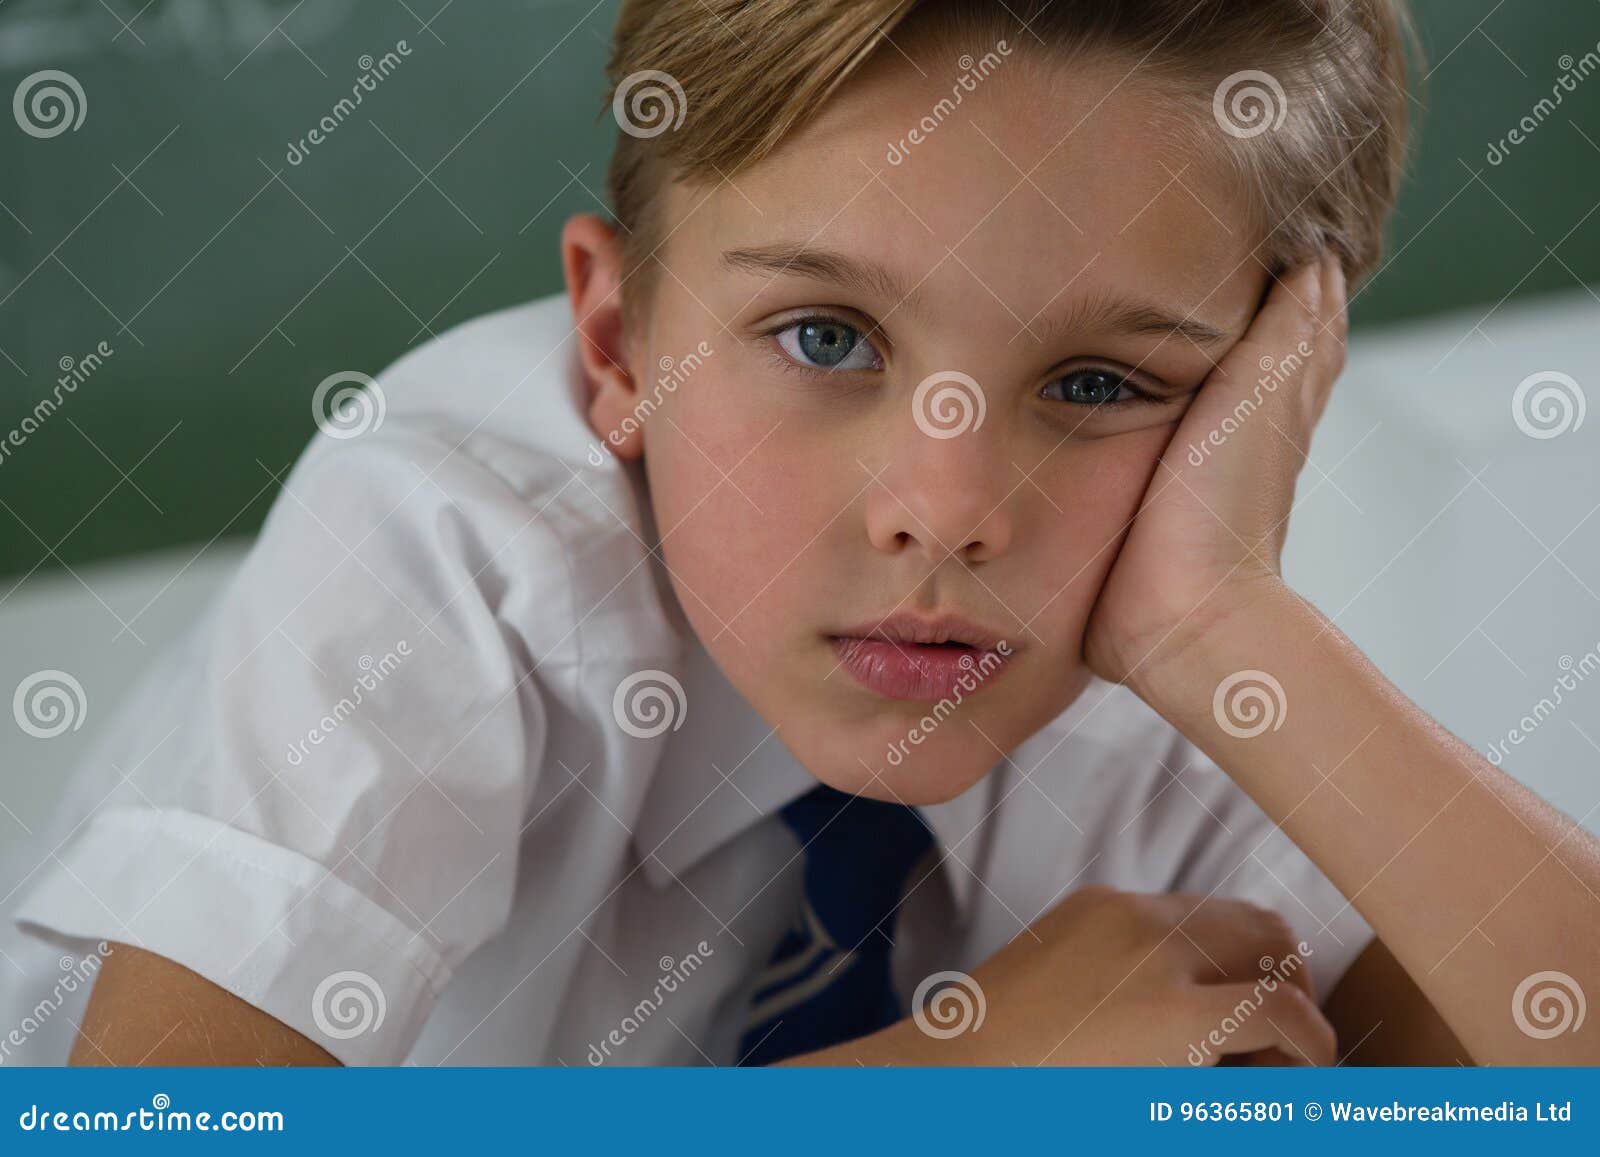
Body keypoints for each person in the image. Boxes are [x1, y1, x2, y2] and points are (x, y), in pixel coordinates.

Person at [5, 0, 1595, 1067]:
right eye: (826, 338)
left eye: (1101, 383)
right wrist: (943, 1081)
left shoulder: (1160, 654)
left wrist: (1219, 624)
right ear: (617, 343)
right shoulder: (449, 547)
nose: (947, 512)